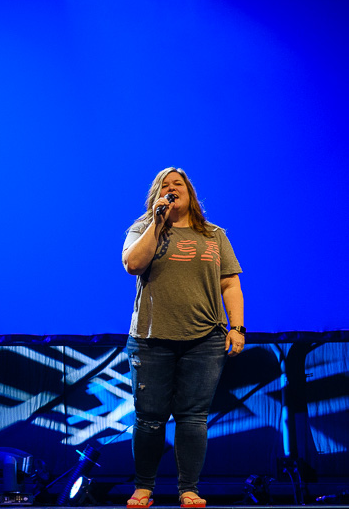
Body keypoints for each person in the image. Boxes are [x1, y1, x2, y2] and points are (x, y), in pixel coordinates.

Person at [121, 167, 245, 509]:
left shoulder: (214, 235)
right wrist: (156, 222)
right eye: (165, 186)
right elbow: (132, 264)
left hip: (204, 339)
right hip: (151, 338)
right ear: (156, 196)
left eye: (178, 184)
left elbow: (230, 283)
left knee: (193, 417)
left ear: (190, 193)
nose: (172, 188)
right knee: (149, 418)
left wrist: (237, 327)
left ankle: (188, 489)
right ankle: (144, 487)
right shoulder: (142, 228)